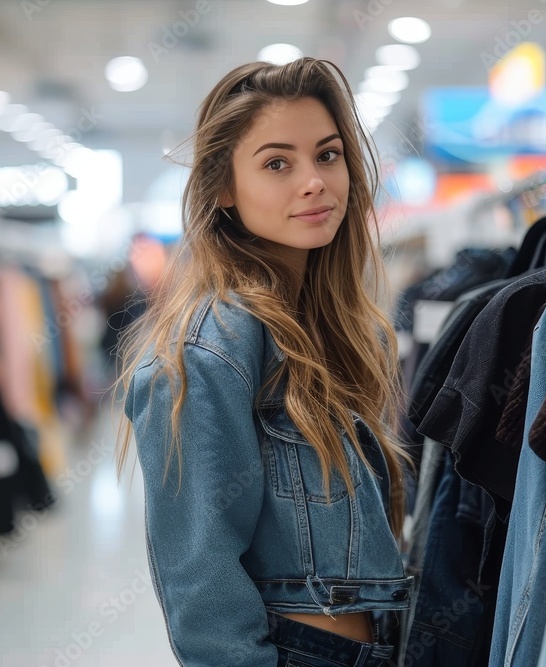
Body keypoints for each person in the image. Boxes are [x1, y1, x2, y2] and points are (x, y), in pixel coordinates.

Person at [115, 57, 414, 667]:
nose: (314, 181)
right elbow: (200, 579)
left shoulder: (337, 326)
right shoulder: (211, 346)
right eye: (278, 163)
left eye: (327, 155)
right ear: (224, 188)